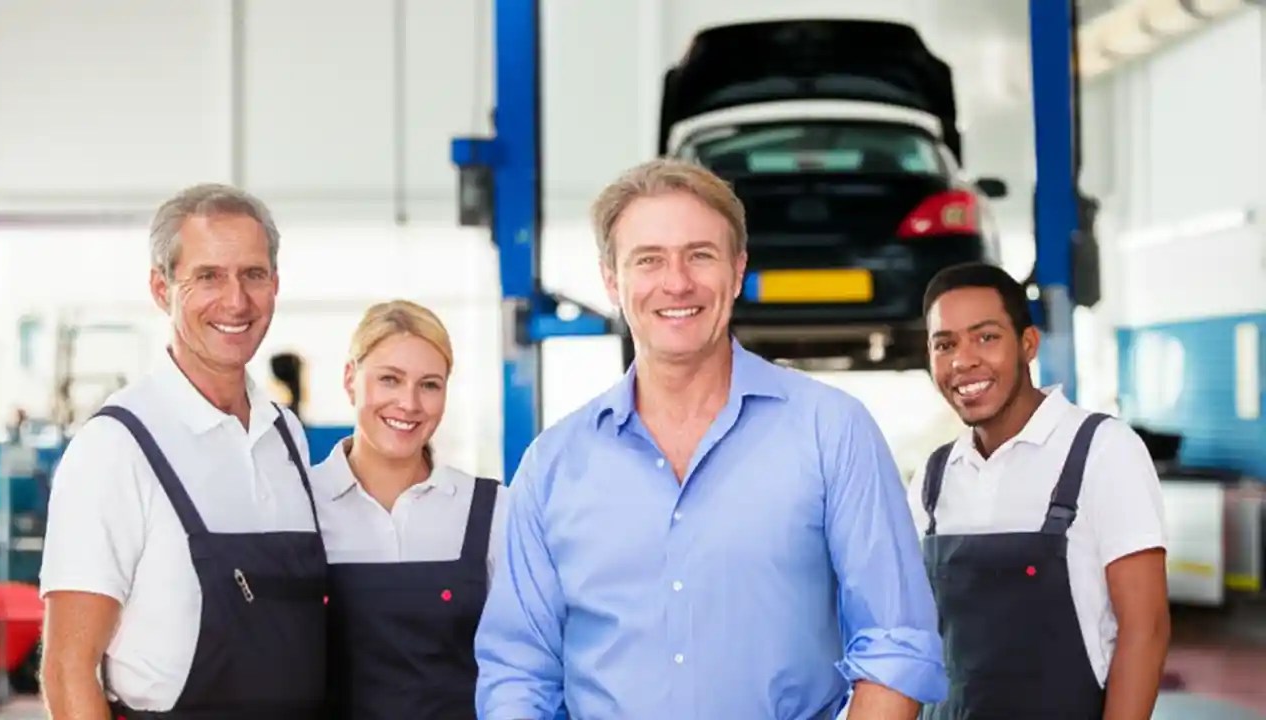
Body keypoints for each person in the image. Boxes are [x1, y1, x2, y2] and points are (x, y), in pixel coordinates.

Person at [474, 158, 947, 720]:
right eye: (648, 259)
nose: (677, 282)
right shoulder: (552, 465)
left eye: (700, 255)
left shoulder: (832, 432)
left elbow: (896, 644)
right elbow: (518, 674)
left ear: (738, 269)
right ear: (611, 280)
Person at [38, 184, 328, 719]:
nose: (236, 301)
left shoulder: (285, 435)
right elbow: (67, 670)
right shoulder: (117, 446)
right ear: (161, 288)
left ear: (275, 285)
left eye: (253, 275)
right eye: (208, 276)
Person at [908, 262, 1170, 719]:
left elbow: (1145, 630)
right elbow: (913, 636)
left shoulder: (1102, 450)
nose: (963, 360)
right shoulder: (934, 477)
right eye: (945, 344)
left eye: (986, 337)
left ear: (1028, 344)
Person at [311, 299, 508, 719]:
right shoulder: (297, 505)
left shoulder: (493, 511)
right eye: (390, 379)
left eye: (429, 385)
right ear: (350, 379)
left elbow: (525, 661)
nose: (409, 403)